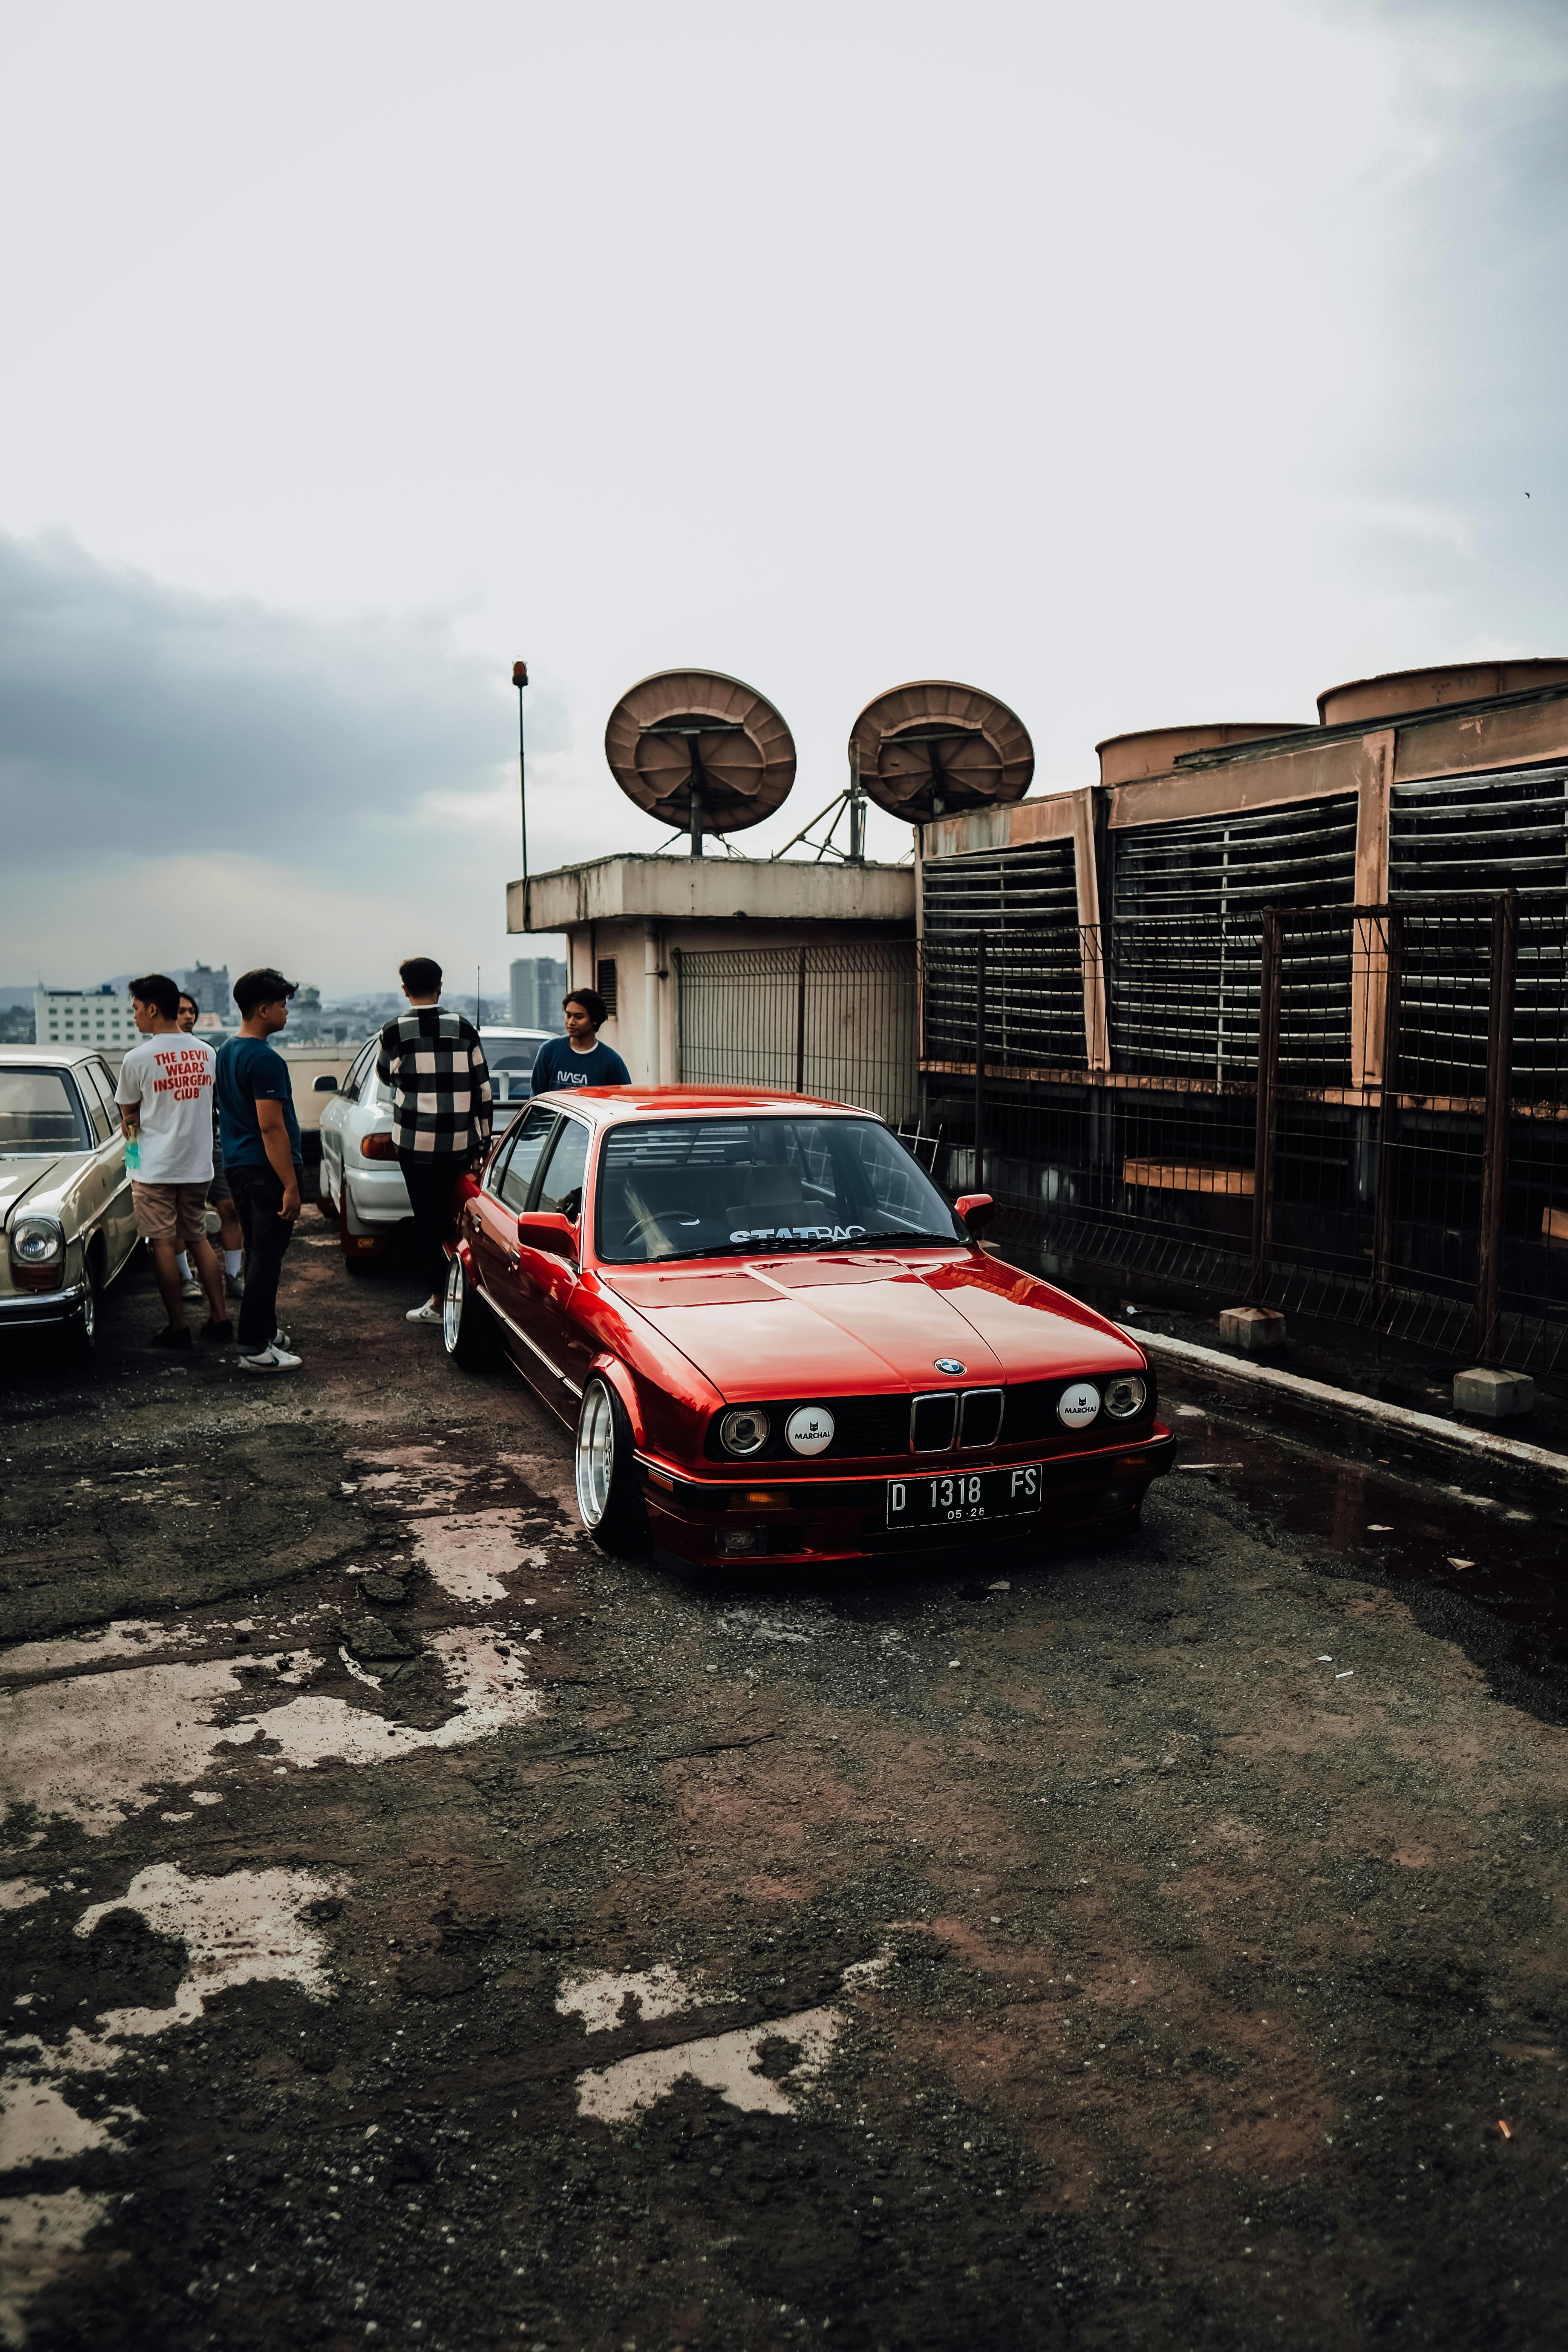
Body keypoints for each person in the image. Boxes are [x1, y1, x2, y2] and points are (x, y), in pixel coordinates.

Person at [114, 974, 231, 1349]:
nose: (134, 1017)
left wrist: (133, 1163)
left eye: (135, 1009)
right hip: (197, 1166)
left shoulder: (137, 1059)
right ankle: (220, 1319)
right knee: (199, 1239)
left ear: (151, 1009)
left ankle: (178, 1327)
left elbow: (129, 1120)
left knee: (164, 1245)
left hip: (154, 1170)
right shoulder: (206, 1053)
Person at [376, 957, 493, 1325]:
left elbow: (384, 1074)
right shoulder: (463, 1028)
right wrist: (483, 1141)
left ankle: (439, 1302)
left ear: (405, 989)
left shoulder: (394, 1031)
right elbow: (483, 1090)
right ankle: (468, 1294)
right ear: (440, 986)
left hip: (413, 1145)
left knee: (427, 1222)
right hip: (459, 1144)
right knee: (457, 1220)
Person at [216, 968, 304, 1373]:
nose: (287, 1012)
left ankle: (264, 1331)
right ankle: (253, 1346)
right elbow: (272, 1126)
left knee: (257, 1254)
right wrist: (290, 1185)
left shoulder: (227, 1050)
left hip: (237, 1165)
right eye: (283, 1005)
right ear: (263, 1009)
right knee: (267, 1259)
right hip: (265, 1170)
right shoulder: (265, 1059)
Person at [175, 990, 245, 1303]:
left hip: (212, 1142)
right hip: (175, 1150)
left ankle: (234, 1276)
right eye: (181, 1011)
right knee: (178, 1218)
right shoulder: (149, 1056)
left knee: (229, 1207)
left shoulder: (207, 1052)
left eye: (192, 1011)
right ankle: (186, 1279)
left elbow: (222, 1100)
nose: (189, 1017)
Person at [529, 988, 631, 1095]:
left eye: (579, 1017)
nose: (571, 1022)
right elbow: (537, 1096)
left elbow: (623, 1101)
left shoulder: (612, 1061)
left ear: (595, 1020)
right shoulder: (549, 1051)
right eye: (568, 1015)